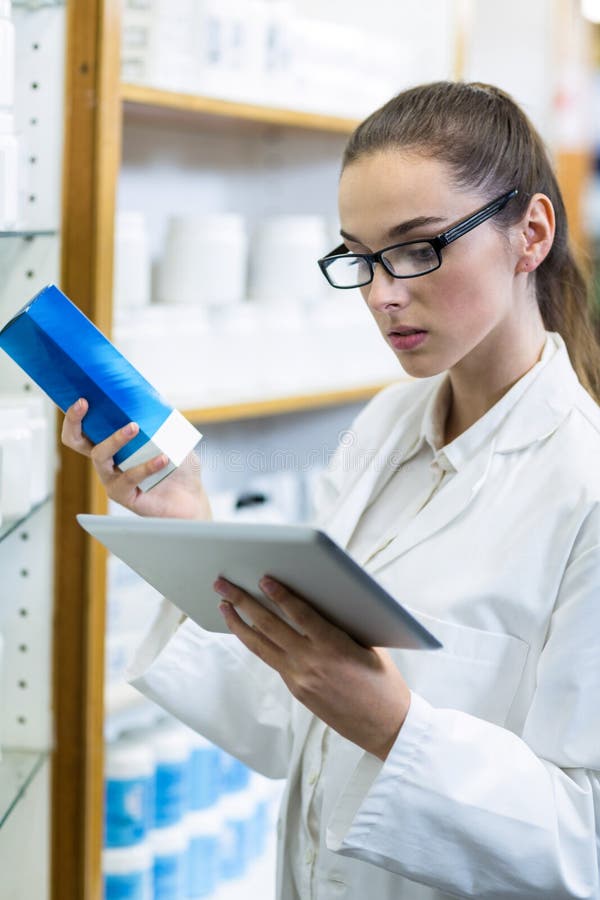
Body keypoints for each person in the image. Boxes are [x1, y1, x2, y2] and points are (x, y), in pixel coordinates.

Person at [62, 81, 600, 899]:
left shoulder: (583, 487)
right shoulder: (388, 423)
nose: (383, 294)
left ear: (530, 233)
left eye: (419, 248)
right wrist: (188, 520)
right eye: (361, 256)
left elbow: (585, 843)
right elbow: (290, 726)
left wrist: (392, 725)